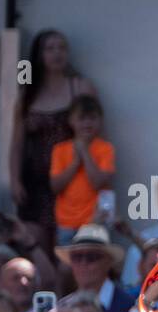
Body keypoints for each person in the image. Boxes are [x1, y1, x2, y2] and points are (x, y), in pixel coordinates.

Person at [10, 30, 99, 249]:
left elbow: (97, 135)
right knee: (36, 245)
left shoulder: (80, 87)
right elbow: (17, 144)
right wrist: (14, 180)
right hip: (35, 180)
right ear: (39, 54)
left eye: (61, 48)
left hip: (70, 180)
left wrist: (97, 175)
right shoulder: (27, 94)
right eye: (50, 48)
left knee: (69, 249)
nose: (56, 53)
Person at [49, 95, 115, 244]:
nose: (87, 123)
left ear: (100, 120)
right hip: (66, 221)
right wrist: (75, 163)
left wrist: (85, 152)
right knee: (65, 264)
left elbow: (98, 183)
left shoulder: (105, 149)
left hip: (95, 220)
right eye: (82, 118)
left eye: (92, 118)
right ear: (71, 121)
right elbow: (55, 186)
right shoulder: (60, 149)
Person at [55, 225, 135, 312]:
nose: (83, 263)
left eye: (92, 257)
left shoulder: (129, 307)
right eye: (77, 257)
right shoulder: (62, 308)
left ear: (108, 262)